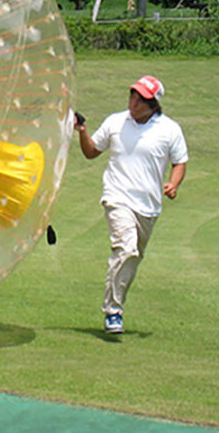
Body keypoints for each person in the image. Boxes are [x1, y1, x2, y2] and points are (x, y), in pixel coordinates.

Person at [74, 75, 188, 334]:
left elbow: (179, 161)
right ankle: (113, 312)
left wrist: (173, 184)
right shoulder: (116, 122)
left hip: (148, 206)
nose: (134, 104)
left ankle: (116, 305)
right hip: (117, 198)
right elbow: (92, 152)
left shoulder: (169, 129)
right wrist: (82, 132)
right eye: (132, 97)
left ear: (153, 105)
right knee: (125, 249)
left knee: (133, 259)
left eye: (141, 101)